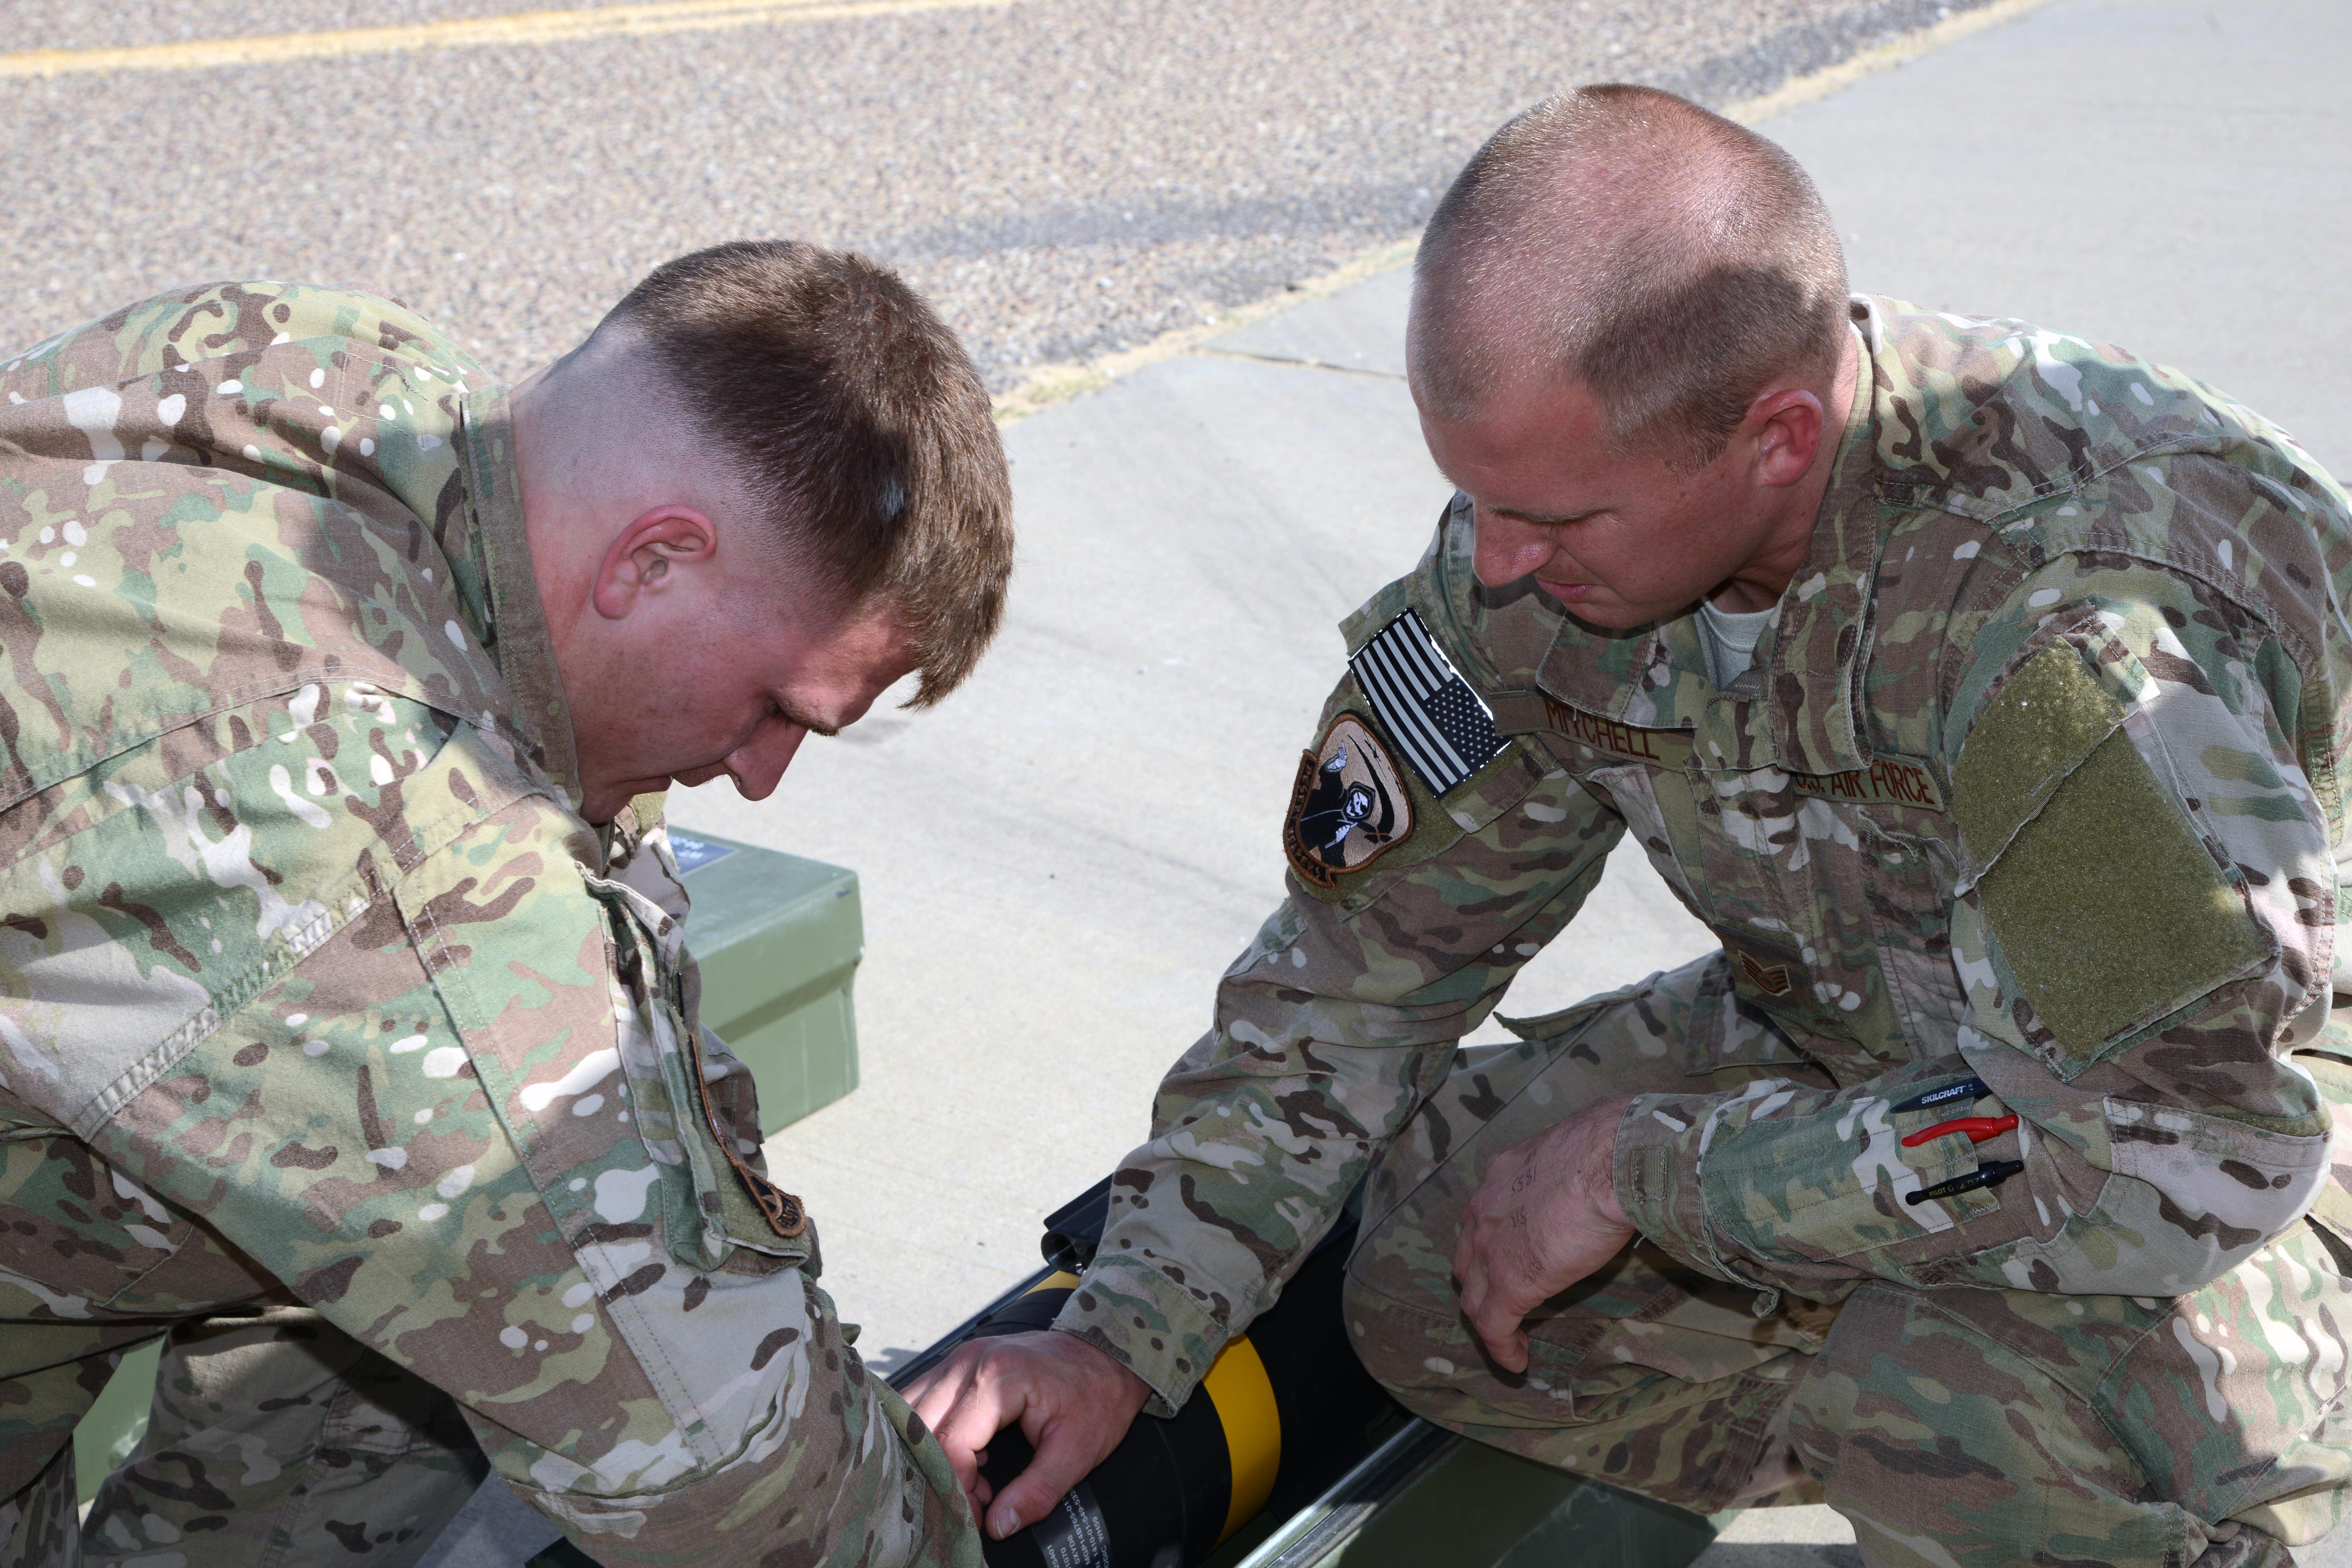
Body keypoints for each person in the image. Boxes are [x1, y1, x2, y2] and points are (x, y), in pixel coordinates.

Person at [908, 86, 2352, 1567]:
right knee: (1424, 1262)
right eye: (1478, 499)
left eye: (1560, 520)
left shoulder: (2075, 633)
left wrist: (1649, 1172)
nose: (1501, 563)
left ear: (1777, 441)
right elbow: (1352, 984)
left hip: (2253, 1108)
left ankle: (2151, 1491)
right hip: (1882, 1038)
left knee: (1930, 1386)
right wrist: (1121, 1334)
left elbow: (2174, 1141)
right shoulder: (1537, 554)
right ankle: (1973, 1434)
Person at [0, 240, 1012, 1566]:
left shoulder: (337, 369)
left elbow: (603, 995)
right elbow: (726, 1470)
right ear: (652, 560)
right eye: (778, 709)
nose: (762, 779)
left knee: (419, 1310)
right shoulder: (363, 841)